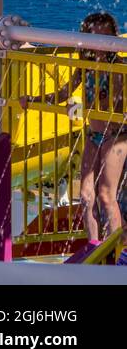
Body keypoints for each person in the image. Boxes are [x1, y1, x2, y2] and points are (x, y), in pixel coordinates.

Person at [22, 12, 127, 245]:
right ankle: (93, 246)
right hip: (93, 136)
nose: (98, 45)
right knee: (86, 195)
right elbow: (62, 94)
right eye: (93, 37)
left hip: (115, 137)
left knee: (106, 195)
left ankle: (116, 250)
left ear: (114, 39)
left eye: (104, 38)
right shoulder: (85, 67)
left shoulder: (119, 68)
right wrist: (33, 99)